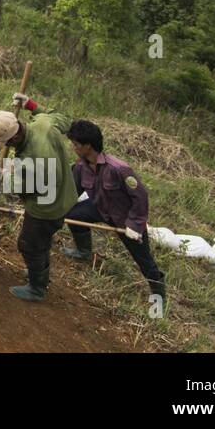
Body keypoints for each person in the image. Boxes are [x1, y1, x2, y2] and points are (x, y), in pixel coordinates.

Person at [0, 91, 77, 302]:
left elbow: (41, 186)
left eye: (6, 142)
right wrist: (32, 105)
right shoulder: (42, 123)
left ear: (15, 136)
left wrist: (6, 180)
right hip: (64, 196)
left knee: (29, 243)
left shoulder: (38, 155)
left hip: (48, 205)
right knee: (41, 240)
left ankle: (37, 287)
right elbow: (64, 119)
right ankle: (39, 273)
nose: (5, 147)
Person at [62, 119, 166, 299]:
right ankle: (83, 251)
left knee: (144, 260)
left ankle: (158, 296)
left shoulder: (119, 169)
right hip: (99, 208)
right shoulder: (80, 166)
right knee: (74, 215)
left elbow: (140, 197)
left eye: (77, 144)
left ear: (88, 145)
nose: (74, 147)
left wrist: (134, 225)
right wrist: (57, 209)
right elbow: (73, 192)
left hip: (124, 218)